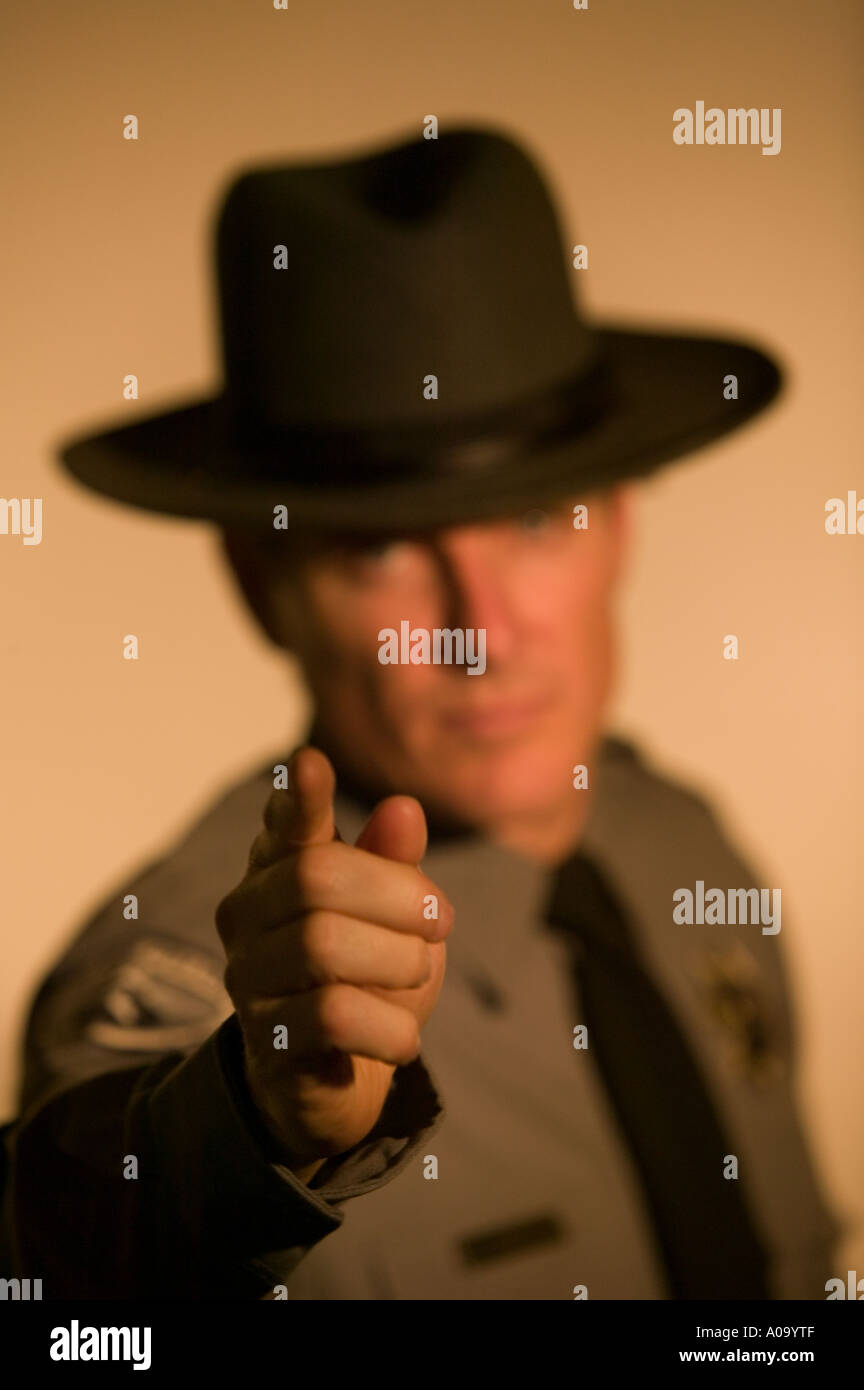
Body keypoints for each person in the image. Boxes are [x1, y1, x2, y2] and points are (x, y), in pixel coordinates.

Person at [0, 125, 839, 1300]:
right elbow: (82, 1255)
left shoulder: (682, 845)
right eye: (383, 548)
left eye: (538, 522)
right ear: (261, 586)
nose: (483, 631)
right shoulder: (223, 973)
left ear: (622, 523)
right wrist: (258, 1125)